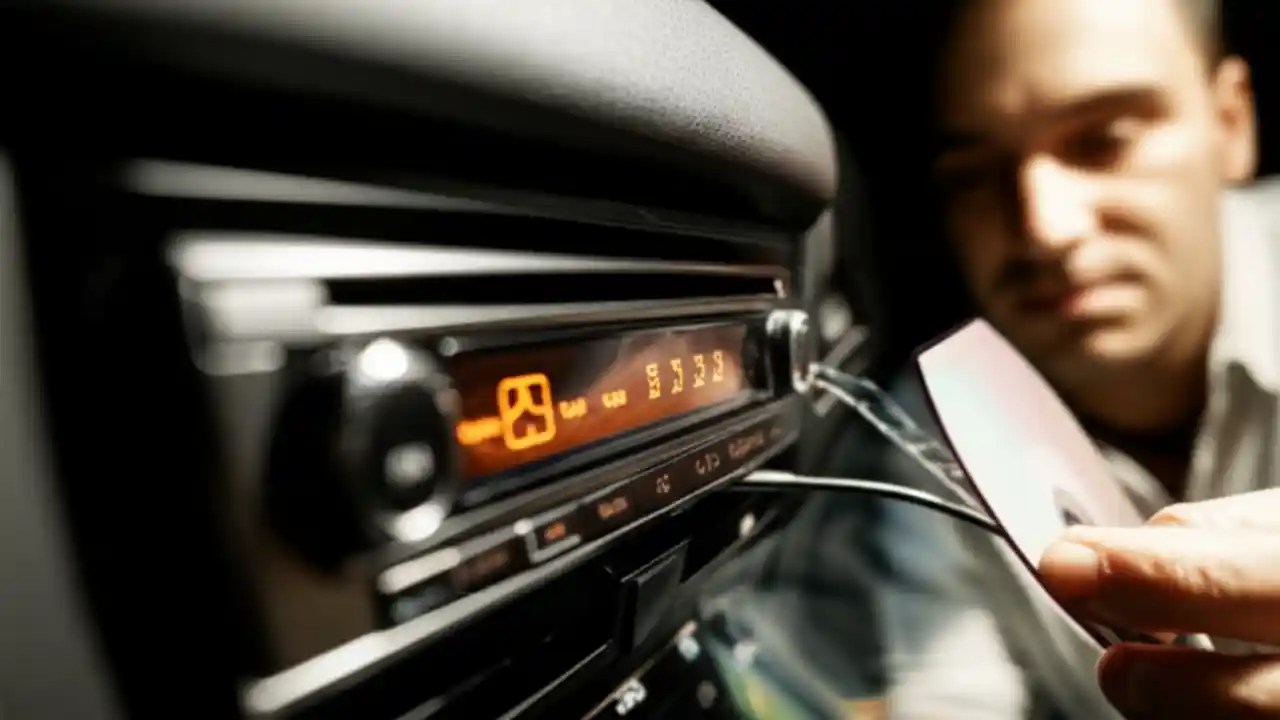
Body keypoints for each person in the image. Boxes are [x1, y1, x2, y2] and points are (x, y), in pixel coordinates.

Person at [772, 0, 1280, 717]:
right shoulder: (932, 436)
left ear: (1231, 122)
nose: (1044, 228)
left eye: (1103, 141)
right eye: (975, 176)